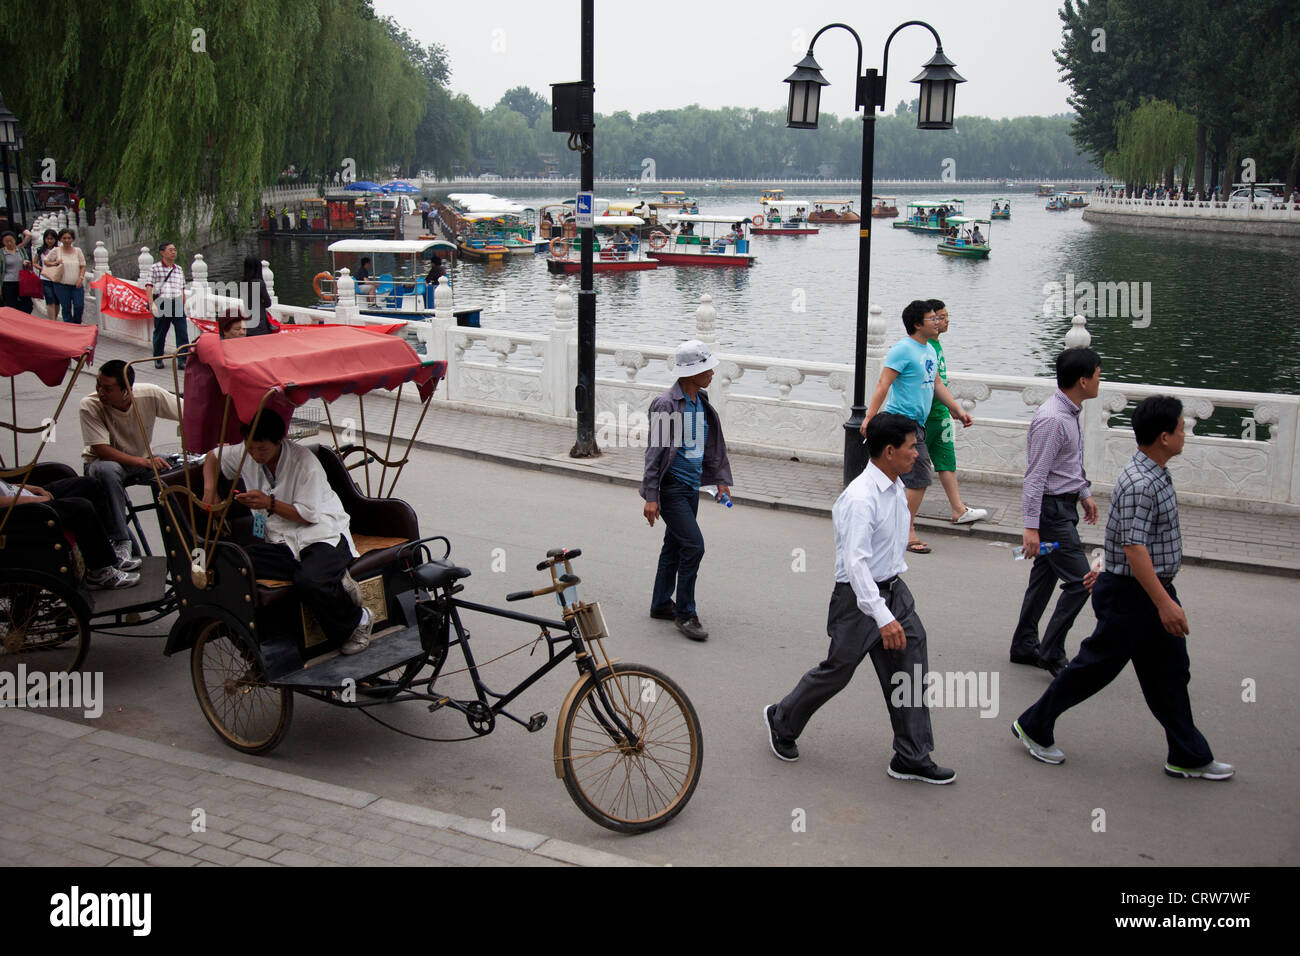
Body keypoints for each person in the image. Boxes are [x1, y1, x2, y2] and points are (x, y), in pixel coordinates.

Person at [1014, 396, 1234, 780]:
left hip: (1141, 588)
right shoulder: (1140, 483)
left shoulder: (1154, 473)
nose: (1186, 433)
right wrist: (1164, 603)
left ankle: (1188, 753)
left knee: (1170, 672)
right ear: (1164, 437)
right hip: (1137, 596)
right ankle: (1034, 725)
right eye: (1182, 428)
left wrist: (1110, 568)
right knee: (1093, 668)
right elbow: (1134, 547)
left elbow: (1128, 541)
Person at [764, 412, 956, 784]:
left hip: (894, 592)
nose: (917, 453)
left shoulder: (895, 484)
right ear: (889, 451)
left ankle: (912, 756)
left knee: (911, 670)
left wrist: (891, 608)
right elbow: (855, 564)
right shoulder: (860, 499)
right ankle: (781, 719)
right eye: (911, 447)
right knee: (838, 671)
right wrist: (882, 617)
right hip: (858, 601)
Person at [201, 410, 373, 655]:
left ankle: (358, 620)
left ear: (279, 441)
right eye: (251, 449)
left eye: (262, 449)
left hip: (319, 532)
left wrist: (268, 503)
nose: (256, 455)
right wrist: (211, 492)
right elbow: (213, 457)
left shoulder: (304, 463)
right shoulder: (246, 453)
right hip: (282, 539)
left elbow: (308, 515)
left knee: (310, 581)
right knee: (239, 561)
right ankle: (333, 576)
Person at [1010, 347, 1101, 676]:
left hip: (1063, 506)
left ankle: (1024, 643)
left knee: (1045, 577)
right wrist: (1031, 528)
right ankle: (1051, 651)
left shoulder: (1069, 413)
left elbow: (1067, 465)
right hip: (1052, 515)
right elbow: (1035, 477)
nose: (1099, 380)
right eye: (1097, 374)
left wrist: (1084, 492)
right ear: (1082, 380)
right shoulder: (1052, 419)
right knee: (1082, 581)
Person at [859, 300, 974, 554]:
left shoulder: (929, 350)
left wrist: (957, 410)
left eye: (938, 318)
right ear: (917, 324)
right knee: (920, 476)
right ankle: (906, 530)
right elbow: (883, 384)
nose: (938, 322)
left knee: (897, 478)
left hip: (918, 424)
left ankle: (885, 523)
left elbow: (937, 385)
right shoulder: (903, 349)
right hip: (902, 422)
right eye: (932, 319)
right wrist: (869, 417)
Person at [640, 339, 733, 642]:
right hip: (672, 490)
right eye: (706, 368)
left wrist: (720, 481)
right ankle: (685, 612)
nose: (712, 373)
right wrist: (652, 497)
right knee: (694, 546)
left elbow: (709, 447)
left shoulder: (700, 402)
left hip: (692, 488)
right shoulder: (667, 404)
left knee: (675, 545)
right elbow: (655, 453)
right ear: (690, 372)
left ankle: (659, 604)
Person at [80, 359, 181, 561]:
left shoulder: (149, 394)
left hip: (141, 460)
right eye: (98, 385)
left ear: (127, 390)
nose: (101, 392)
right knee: (106, 471)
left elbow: (189, 413)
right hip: (104, 464)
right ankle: (120, 540)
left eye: (107, 389)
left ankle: (186, 538)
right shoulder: (90, 405)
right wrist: (143, 462)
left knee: (182, 465)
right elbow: (102, 450)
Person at [0, 475, 141, 589]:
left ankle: (109, 553)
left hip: (21, 497)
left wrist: (29, 488)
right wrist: (36, 500)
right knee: (81, 507)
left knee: (90, 485)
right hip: (13, 513)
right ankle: (100, 572)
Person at [922, 300, 987, 527]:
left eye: (946, 316)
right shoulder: (924, 347)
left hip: (940, 413)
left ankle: (958, 509)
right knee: (909, 467)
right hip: (926, 415)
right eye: (941, 316)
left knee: (946, 460)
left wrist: (953, 408)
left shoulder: (936, 346)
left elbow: (940, 384)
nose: (946, 320)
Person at [145, 241, 188, 368]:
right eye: (170, 250)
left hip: (177, 303)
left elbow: (182, 288)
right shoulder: (155, 268)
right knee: (160, 332)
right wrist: (152, 304)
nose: (173, 252)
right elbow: (149, 286)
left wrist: (184, 303)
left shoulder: (178, 269)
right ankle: (158, 358)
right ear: (162, 253)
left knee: (182, 332)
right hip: (162, 303)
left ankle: (182, 359)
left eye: (174, 250)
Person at [236, 255, 275, 336]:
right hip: (260, 326)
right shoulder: (259, 283)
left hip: (248, 324)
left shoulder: (243, 283)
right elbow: (268, 303)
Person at [1, 229, 34, 313]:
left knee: (27, 304)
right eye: (6, 241)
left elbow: (29, 263)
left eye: (11, 241)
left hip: (22, 281)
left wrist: (27, 263)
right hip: (8, 282)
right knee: (11, 305)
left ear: (15, 240)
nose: (9, 243)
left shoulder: (21, 251)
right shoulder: (1, 253)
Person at [33, 229, 61, 320]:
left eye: (52, 239)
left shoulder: (59, 250)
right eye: (48, 238)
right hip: (45, 278)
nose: (49, 241)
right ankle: (51, 321)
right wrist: (41, 268)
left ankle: (55, 319)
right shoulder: (40, 250)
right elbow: (35, 262)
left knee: (57, 301)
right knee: (49, 300)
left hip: (57, 278)